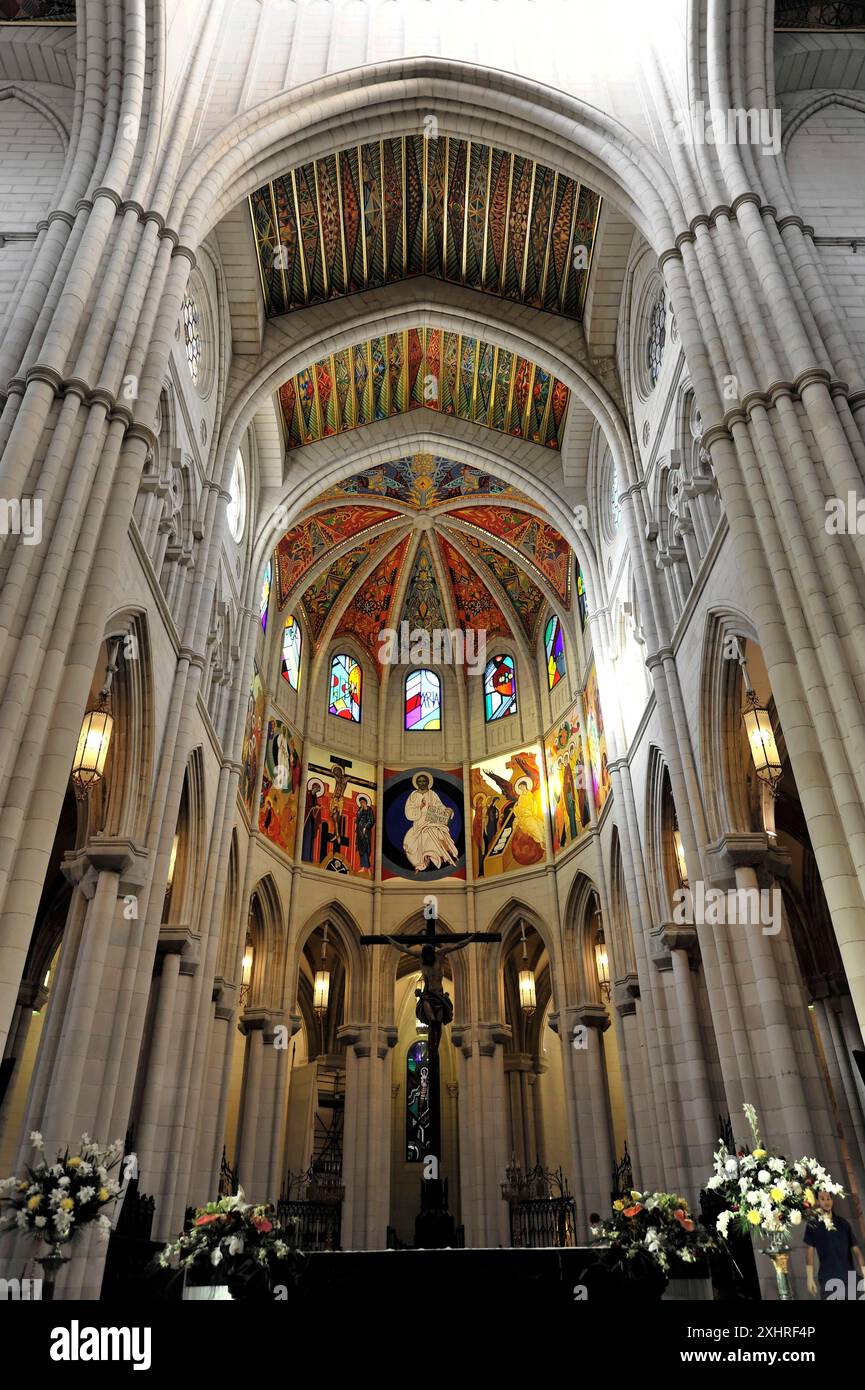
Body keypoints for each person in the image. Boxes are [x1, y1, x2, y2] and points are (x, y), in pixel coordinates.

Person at [804, 1192, 865, 1299]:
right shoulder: (813, 1225)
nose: (826, 1201)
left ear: (832, 1200)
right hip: (828, 1277)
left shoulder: (843, 1223)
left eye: (829, 1198)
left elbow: (856, 1249)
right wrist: (809, 1278)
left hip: (848, 1276)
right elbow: (810, 1252)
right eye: (822, 1199)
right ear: (817, 1201)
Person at [402, 772, 460, 872]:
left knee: (436, 834)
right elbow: (408, 812)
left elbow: (440, 806)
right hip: (419, 823)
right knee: (413, 842)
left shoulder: (432, 794)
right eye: (419, 781)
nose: (422, 783)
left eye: (424, 781)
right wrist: (420, 807)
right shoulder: (413, 795)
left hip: (432, 821)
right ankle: (421, 863)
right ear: (416, 783)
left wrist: (448, 811)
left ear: (428, 782)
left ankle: (445, 857)